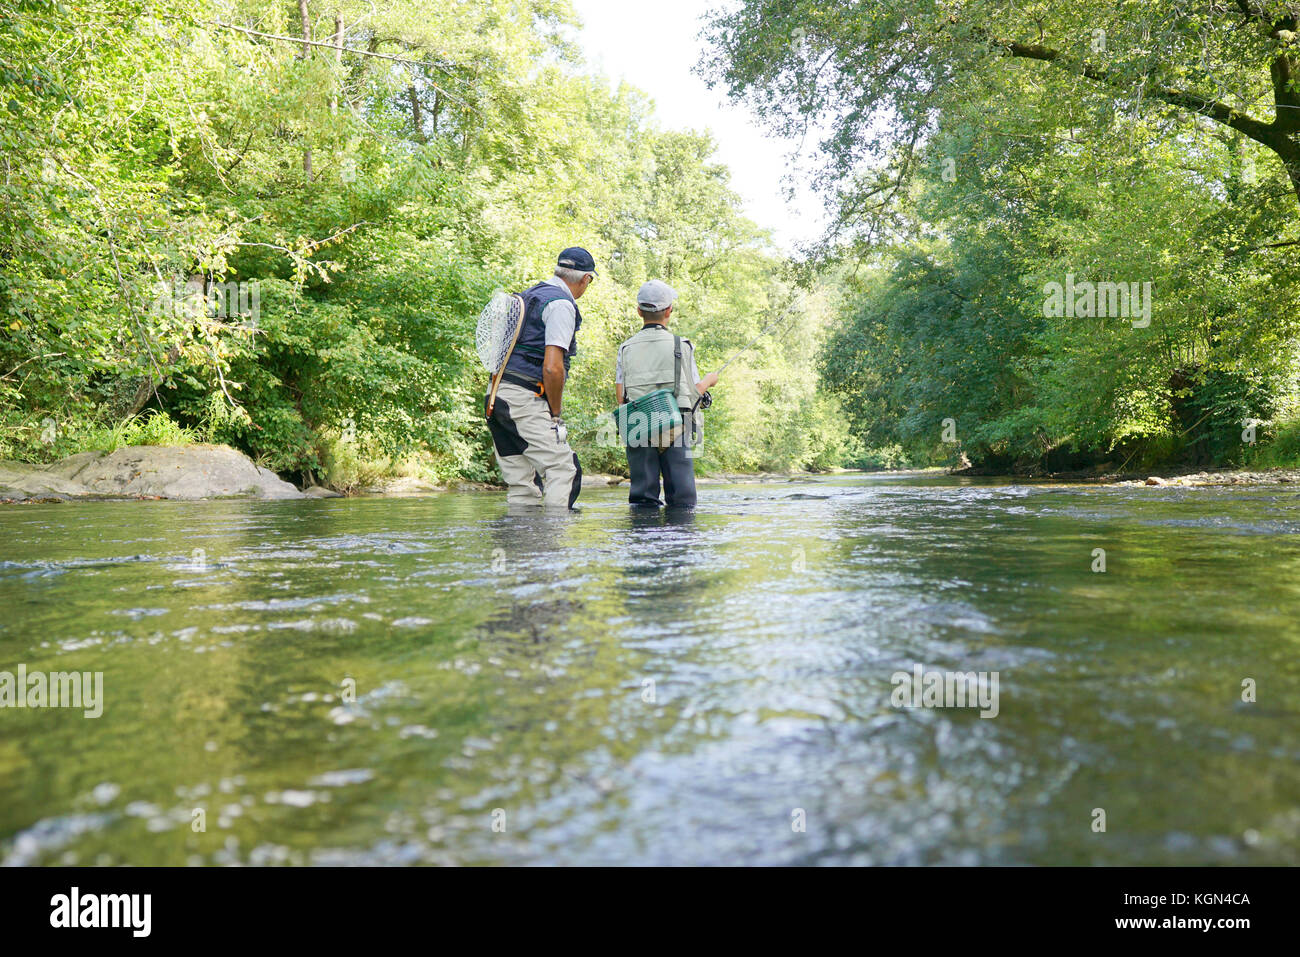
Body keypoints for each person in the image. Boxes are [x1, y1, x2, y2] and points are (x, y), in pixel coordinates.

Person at [486, 247, 596, 509]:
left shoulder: (529, 295)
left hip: (496, 397)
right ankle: (551, 548)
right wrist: (555, 413)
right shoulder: (560, 304)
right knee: (564, 469)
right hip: (524, 399)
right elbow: (552, 368)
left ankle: (521, 546)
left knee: (523, 485)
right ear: (585, 279)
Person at [614, 280, 719, 508]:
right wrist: (709, 381)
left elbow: (621, 397)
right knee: (682, 500)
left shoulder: (626, 348)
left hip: (638, 426)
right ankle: (677, 544)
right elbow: (693, 395)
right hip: (676, 428)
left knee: (642, 500)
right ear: (669, 311)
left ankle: (642, 539)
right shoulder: (682, 346)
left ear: (639, 311)